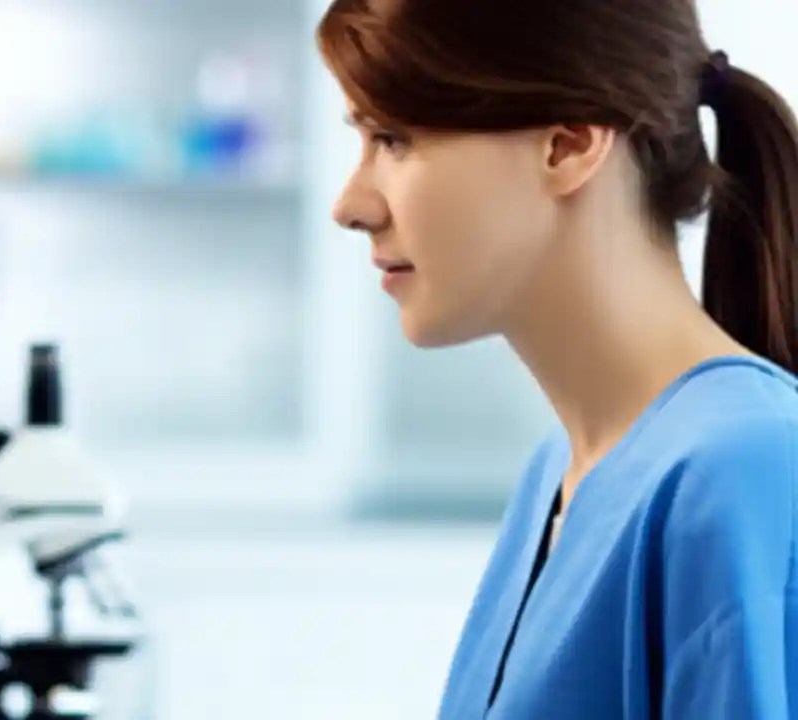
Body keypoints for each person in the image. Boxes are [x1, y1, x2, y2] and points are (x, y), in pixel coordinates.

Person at [317, 1, 798, 718]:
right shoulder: (559, 473)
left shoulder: (741, 468)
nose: (350, 205)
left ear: (569, 146)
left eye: (393, 139)